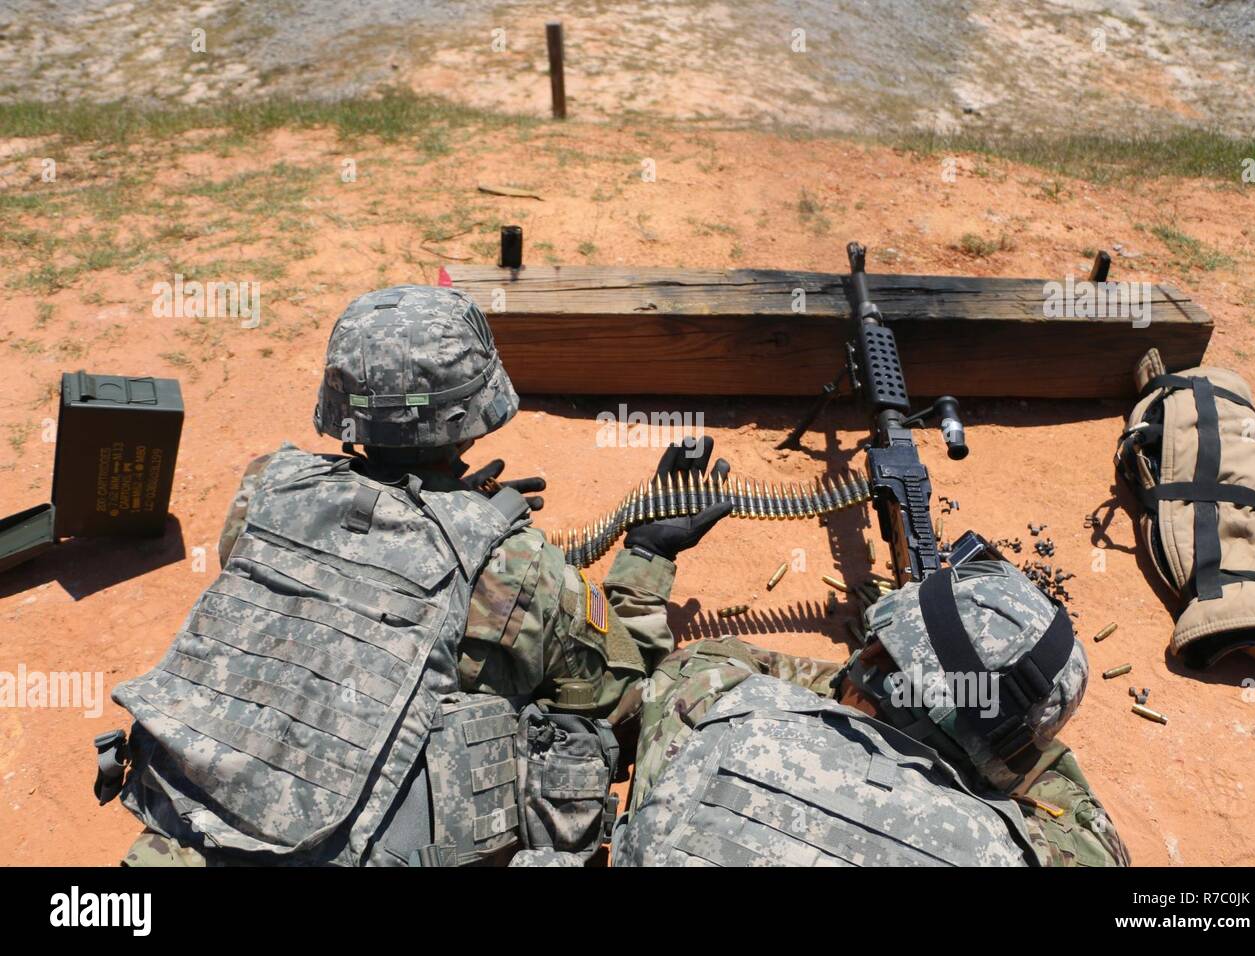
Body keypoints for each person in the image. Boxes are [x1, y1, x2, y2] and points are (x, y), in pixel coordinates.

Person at [101, 284, 731, 866]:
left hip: (183, 830)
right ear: (476, 410)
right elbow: (621, 696)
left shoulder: (267, 488)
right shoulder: (517, 567)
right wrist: (645, 554)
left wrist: (434, 512)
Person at [611, 559, 1130, 867]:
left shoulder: (717, 711)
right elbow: (1084, 827)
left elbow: (718, 662)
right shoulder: (1015, 851)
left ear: (876, 653)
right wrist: (993, 737)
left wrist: (866, 680)